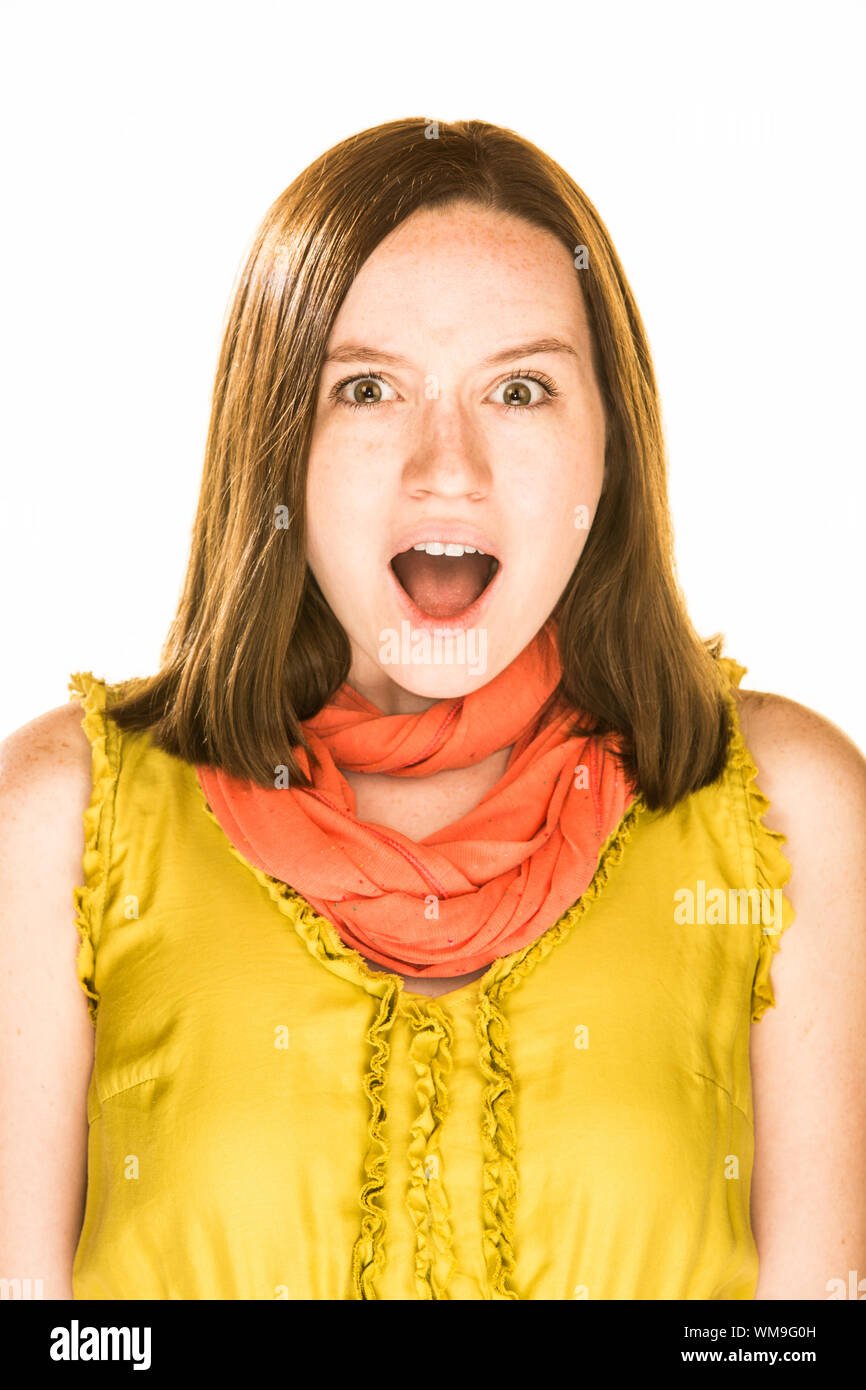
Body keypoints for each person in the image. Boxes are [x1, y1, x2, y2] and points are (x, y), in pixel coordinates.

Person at [1, 117, 864, 1301]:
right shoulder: (64, 818)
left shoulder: (782, 805)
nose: (444, 465)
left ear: (609, 446)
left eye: (518, 390)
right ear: (274, 451)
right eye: (365, 388)